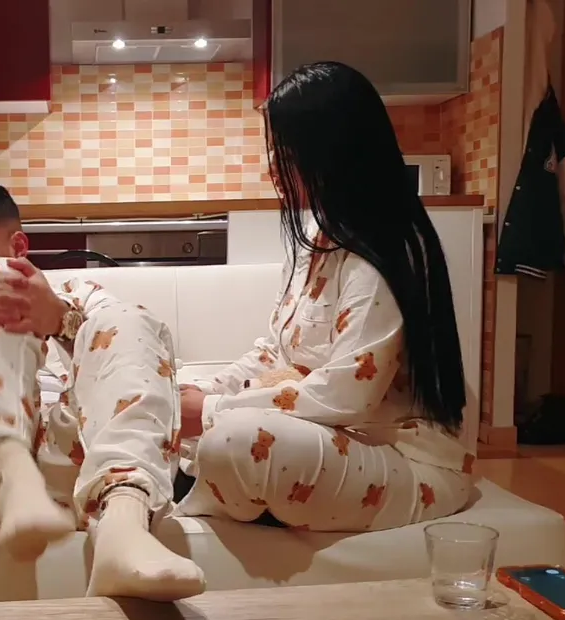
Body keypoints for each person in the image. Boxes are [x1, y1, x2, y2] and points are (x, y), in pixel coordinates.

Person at [177, 61, 478, 531]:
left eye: (285, 153)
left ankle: (211, 493)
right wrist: (204, 394)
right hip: (342, 440)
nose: (273, 168)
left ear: (332, 154)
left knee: (238, 440)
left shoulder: (385, 250)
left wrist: (211, 412)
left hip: (402, 458)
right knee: (177, 398)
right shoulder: (320, 233)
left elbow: (347, 395)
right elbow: (276, 350)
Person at [0, 179, 205, 601]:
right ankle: (12, 472)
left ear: (19, 246)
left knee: (128, 318)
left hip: (74, 479)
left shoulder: (79, 296)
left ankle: (123, 526)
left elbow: (131, 348)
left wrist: (58, 319)